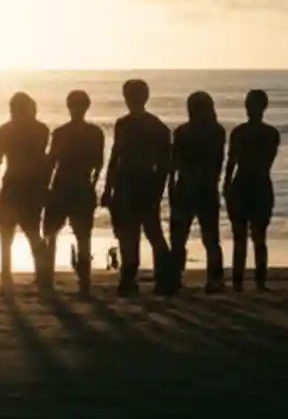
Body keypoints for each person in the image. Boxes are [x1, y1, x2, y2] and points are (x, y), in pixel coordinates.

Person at [102, 79, 173, 297]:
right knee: (140, 232)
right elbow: (116, 157)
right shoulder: (153, 126)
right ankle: (139, 278)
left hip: (135, 183)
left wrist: (108, 187)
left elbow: (118, 157)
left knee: (137, 233)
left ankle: (140, 278)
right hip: (138, 183)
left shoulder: (139, 125)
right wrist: (108, 187)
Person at [43, 90, 104, 297]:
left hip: (62, 185)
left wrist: (45, 188)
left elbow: (51, 162)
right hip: (80, 185)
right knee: (81, 236)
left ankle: (49, 280)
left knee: (53, 233)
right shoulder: (95, 133)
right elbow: (99, 164)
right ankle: (83, 283)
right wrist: (92, 184)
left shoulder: (60, 133)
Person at [0, 92, 51, 293]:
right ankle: (41, 276)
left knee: (7, 235)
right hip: (31, 185)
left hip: (13, 184)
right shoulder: (41, 130)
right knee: (32, 231)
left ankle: (7, 278)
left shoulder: (6, 130)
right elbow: (43, 161)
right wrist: (44, 185)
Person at [224, 89, 279, 292]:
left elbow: (231, 163)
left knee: (241, 236)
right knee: (259, 237)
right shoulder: (271, 134)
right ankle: (259, 282)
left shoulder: (239, 132)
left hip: (243, 183)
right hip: (261, 184)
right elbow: (268, 161)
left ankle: (239, 282)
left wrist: (226, 186)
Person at [170, 91, 226, 294]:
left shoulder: (182, 132)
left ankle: (176, 276)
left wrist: (170, 189)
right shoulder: (217, 131)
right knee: (211, 238)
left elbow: (173, 164)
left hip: (186, 187)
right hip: (207, 188)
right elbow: (219, 161)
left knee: (179, 237)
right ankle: (215, 279)